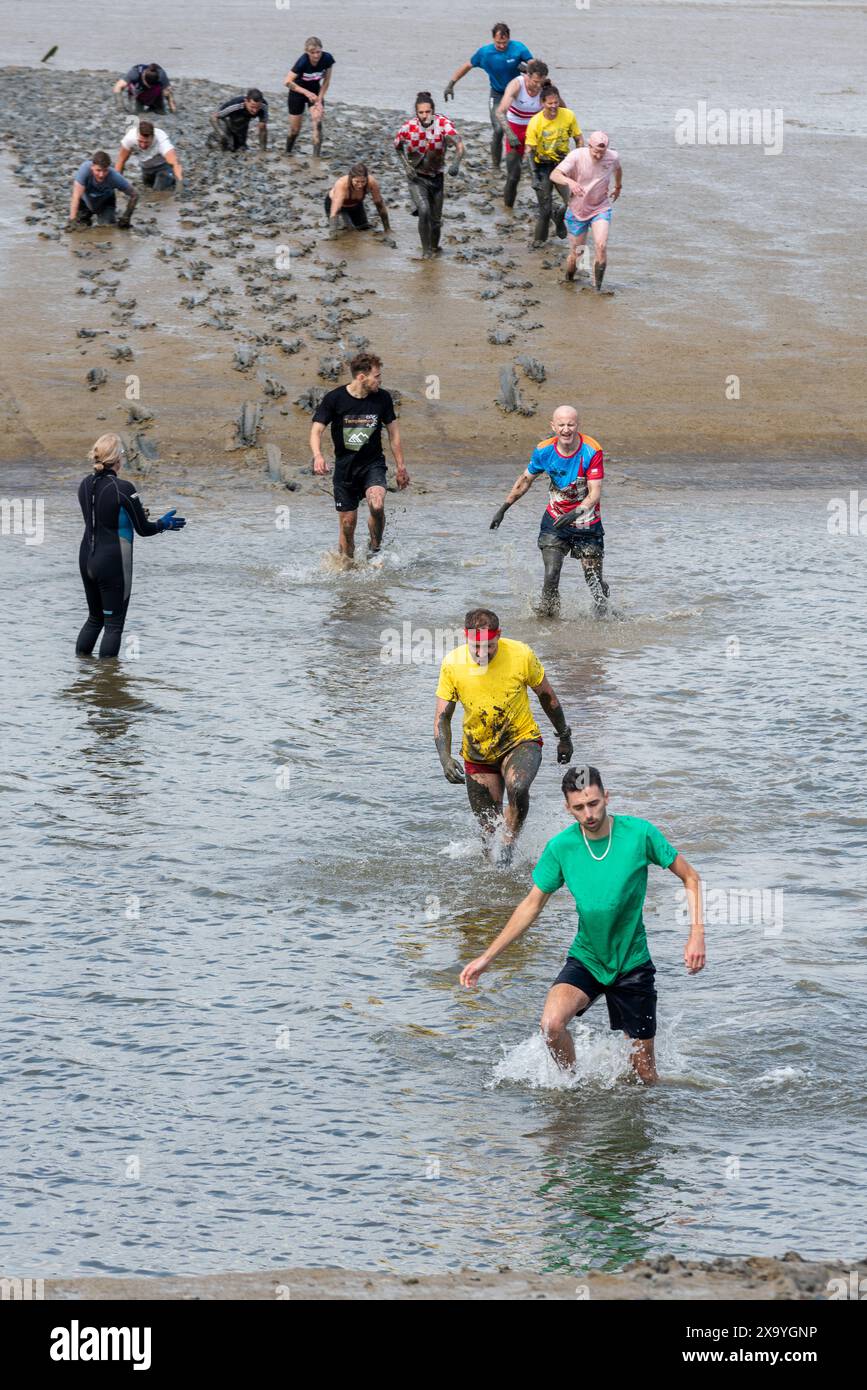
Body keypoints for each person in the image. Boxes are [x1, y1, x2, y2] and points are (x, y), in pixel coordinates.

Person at [460, 765, 706, 1085]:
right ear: (568, 807)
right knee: (551, 1025)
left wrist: (696, 935)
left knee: (645, 1075)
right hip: (587, 959)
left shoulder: (639, 834)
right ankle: (571, 1087)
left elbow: (691, 877)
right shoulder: (562, 847)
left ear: (606, 797)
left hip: (632, 964)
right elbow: (531, 905)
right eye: (578, 807)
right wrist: (487, 957)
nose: (588, 813)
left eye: (593, 803)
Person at [434, 609, 574, 864]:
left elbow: (547, 697)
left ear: (499, 637)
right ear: (467, 638)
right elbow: (443, 717)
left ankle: (510, 842)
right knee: (488, 832)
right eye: (477, 646)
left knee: (518, 787)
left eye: (489, 646)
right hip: (478, 752)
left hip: (520, 740)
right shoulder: (452, 664)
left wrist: (564, 736)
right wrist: (445, 758)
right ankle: (493, 893)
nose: (483, 653)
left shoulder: (521, 654)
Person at [490, 406, 610, 618]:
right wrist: (504, 508)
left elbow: (595, 492)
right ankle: (548, 617)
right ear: (553, 426)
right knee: (551, 573)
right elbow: (525, 480)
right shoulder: (544, 450)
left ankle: (603, 613)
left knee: (593, 580)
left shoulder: (592, 450)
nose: (566, 430)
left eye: (570, 424)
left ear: (577, 425)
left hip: (587, 524)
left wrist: (576, 512)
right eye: (561, 425)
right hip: (555, 522)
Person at [76, 434, 186, 659]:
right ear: (118, 459)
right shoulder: (124, 488)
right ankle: (108, 687)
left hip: (86, 558)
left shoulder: (85, 484)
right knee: (113, 625)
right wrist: (164, 524)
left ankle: (82, 676)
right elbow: (143, 529)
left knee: (94, 619)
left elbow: (102, 518)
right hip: (112, 562)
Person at [310, 352, 409, 562]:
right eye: (377, 376)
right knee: (347, 525)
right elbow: (316, 430)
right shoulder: (334, 399)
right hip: (345, 471)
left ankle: (375, 549)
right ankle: (348, 565)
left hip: (372, 465)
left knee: (377, 503)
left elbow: (394, 434)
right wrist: (318, 456)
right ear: (362, 377)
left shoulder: (382, 398)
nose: (380, 381)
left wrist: (401, 467)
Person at [443, 22, 533, 169]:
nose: (502, 46)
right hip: (497, 95)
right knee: (498, 129)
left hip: (517, 94)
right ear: (493, 39)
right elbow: (467, 66)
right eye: (498, 43)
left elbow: (533, 65)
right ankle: (496, 167)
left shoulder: (519, 48)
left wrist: (529, 69)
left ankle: (526, 161)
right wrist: (451, 84)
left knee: (528, 128)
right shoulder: (484, 53)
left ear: (509, 38)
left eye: (504, 42)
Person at [394, 92, 464, 259]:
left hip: (437, 177)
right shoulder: (408, 128)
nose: (425, 115)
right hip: (417, 178)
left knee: (436, 220)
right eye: (421, 112)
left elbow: (460, 146)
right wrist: (406, 166)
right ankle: (426, 251)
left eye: (428, 111)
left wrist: (456, 163)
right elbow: (397, 147)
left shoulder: (444, 124)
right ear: (416, 113)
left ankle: (434, 247)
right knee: (424, 210)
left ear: (433, 110)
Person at [550, 130, 622, 289]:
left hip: (600, 207)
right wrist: (570, 182)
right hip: (578, 210)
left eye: (602, 153)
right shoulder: (577, 155)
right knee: (577, 255)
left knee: (601, 246)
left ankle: (597, 288)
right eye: (596, 152)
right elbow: (554, 175)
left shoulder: (612, 156)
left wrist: (618, 187)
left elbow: (618, 169)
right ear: (589, 146)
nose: (599, 156)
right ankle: (568, 279)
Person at [524, 86, 583, 246]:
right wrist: (534, 176)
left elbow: (578, 138)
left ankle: (559, 218)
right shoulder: (535, 122)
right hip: (542, 166)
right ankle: (539, 241)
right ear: (542, 103)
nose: (554, 106)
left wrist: (580, 161)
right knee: (545, 207)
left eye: (556, 102)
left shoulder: (568, 115)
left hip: (563, 164)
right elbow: (529, 150)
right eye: (550, 103)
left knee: (574, 201)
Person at [496, 60, 549, 208]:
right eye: (535, 82)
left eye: (541, 82)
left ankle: (544, 209)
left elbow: (563, 110)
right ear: (527, 76)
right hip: (515, 129)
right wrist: (510, 134)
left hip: (536, 131)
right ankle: (508, 210)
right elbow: (500, 112)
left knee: (541, 174)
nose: (538, 86)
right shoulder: (516, 84)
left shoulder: (545, 86)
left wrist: (550, 89)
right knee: (514, 176)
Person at [283, 37, 334, 156]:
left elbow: (326, 81)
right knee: (295, 129)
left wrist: (319, 100)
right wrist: (306, 93)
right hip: (297, 93)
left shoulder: (327, 58)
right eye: (312, 53)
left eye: (318, 52)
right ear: (307, 52)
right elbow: (287, 82)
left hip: (315, 91)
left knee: (317, 120)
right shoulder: (302, 62)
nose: (316, 55)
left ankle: (316, 157)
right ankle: (288, 152)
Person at [68, 152, 138, 228]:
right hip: (85, 202)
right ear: (92, 167)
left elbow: (134, 195)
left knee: (107, 229)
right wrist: (72, 220)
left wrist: (127, 216)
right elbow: (76, 196)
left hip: (105, 203)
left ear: (109, 168)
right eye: (98, 170)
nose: (101, 175)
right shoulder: (84, 170)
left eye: (105, 170)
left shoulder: (115, 177)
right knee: (79, 228)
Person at [115, 119, 183, 192]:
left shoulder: (162, 141)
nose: (143, 145)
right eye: (140, 141)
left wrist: (180, 186)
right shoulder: (129, 138)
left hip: (163, 168)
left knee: (158, 192)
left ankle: (172, 180)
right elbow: (121, 160)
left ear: (153, 137)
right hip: (146, 169)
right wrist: (117, 185)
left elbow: (175, 163)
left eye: (146, 142)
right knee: (146, 189)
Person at [325, 164, 390, 235]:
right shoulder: (342, 184)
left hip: (356, 205)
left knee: (363, 229)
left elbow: (379, 204)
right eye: (357, 181)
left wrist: (387, 229)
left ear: (366, 179)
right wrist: (333, 233)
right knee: (345, 232)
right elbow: (335, 211)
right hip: (337, 206)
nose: (360, 185)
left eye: (363, 182)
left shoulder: (371, 182)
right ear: (351, 178)